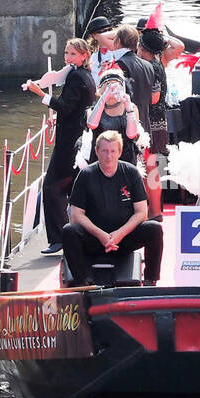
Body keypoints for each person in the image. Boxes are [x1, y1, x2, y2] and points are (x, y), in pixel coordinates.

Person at [63, 131, 163, 288]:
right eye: (104, 151)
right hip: (94, 239)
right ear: (96, 152)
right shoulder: (86, 175)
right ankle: (81, 282)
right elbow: (76, 215)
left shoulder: (131, 173)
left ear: (119, 152)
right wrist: (102, 235)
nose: (108, 156)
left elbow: (142, 212)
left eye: (112, 151)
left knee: (154, 229)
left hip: (124, 239)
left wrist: (119, 234)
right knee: (69, 231)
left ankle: (150, 280)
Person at [26, 38, 96, 255]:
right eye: (66, 53)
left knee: (52, 188)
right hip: (77, 135)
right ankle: (75, 233)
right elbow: (75, 107)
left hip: (69, 141)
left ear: (84, 55)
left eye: (73, 54)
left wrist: (41, 94)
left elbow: (65, 106)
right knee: (73, 187)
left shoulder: (76, 76)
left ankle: (59, 238)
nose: (68, 57)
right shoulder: (85, 75)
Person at [135, 24, 170, 222]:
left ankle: (153, 211)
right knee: (151, 166)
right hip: (158, 121)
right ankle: (154, 210)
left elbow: (154, 98)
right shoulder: (158, 64)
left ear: (143, 48)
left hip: (150, 122)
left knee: (147, 166)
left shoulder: (151, 67)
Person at [86, 67, 142, 168]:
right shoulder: (93, 110)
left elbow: (131, 135)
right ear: (102, 88)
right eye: (108, 85)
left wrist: (128, 106)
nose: (113, 89)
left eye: (116, 85)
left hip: (125, 160)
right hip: (100, 160)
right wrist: (104, 98)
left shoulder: (131, 107)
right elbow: (92, 125)